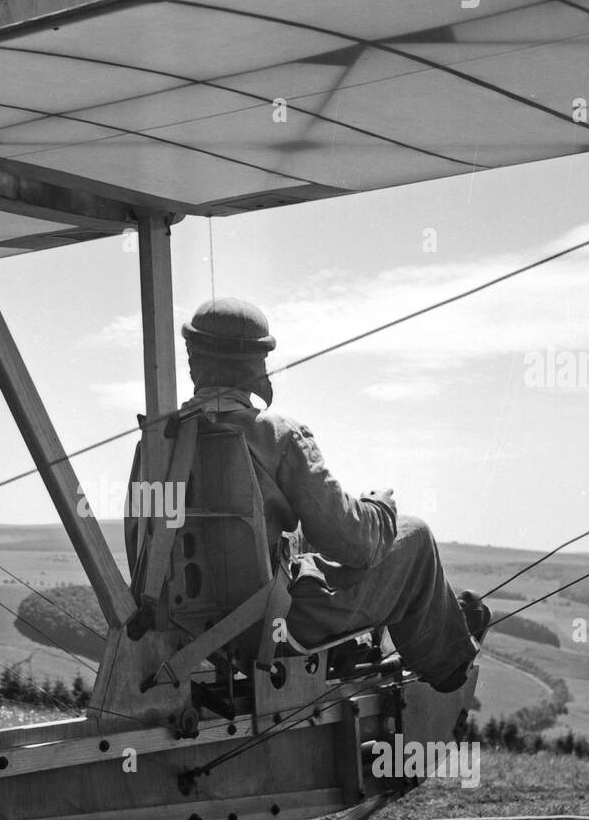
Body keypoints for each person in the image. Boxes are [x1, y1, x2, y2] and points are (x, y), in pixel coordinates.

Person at [140, 296, 489, 693]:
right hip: (273, 622)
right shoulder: (277, 435)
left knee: (302, 541)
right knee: (415, 536)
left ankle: (432, 630)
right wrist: (380, 510)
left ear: (192, 361)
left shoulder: (157, 446)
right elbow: (356, 544)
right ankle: (448, 664)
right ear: (256, 365)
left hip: (196, 627)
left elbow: (146, 541)